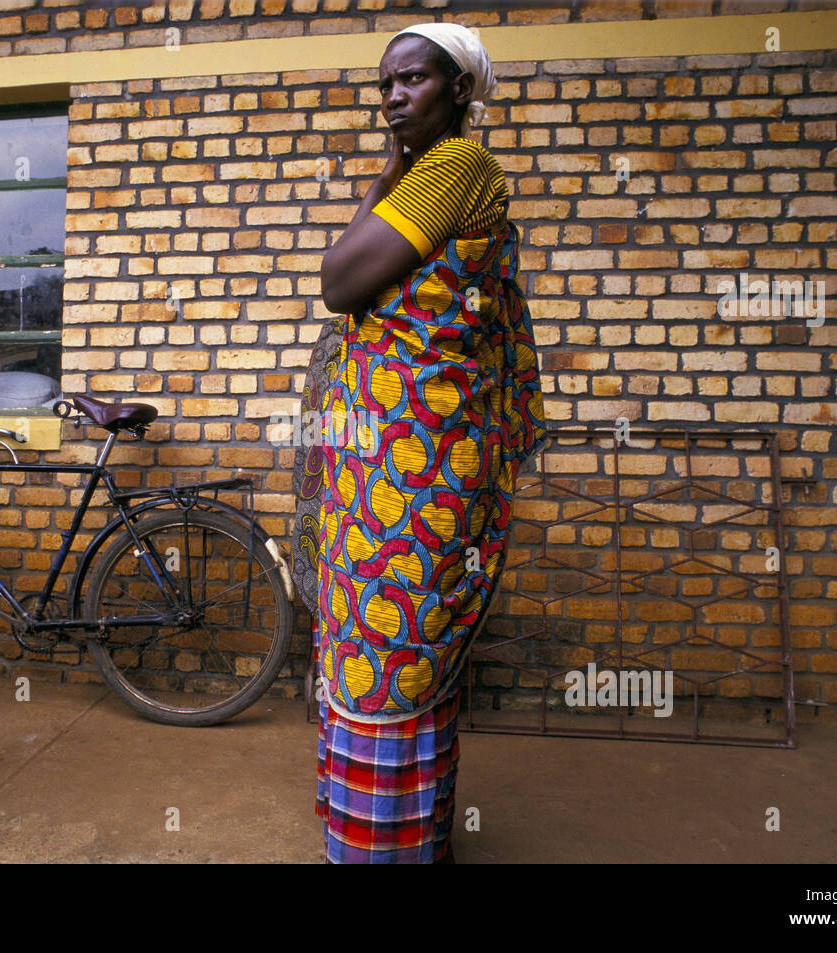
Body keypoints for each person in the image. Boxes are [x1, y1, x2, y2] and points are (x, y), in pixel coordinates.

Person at [309, 23, 546, 863]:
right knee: (390, 636)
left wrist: (398, 167)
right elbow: (355, 266)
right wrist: (389, 167)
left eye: (412, 80)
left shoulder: (458, 168)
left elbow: (339, 279)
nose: (393, 96)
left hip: (423, 466)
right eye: (385, 85)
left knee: (396, 642)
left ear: (458, 90)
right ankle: (412, 836)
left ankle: (389, 848)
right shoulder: (426, 174)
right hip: (394, 462)